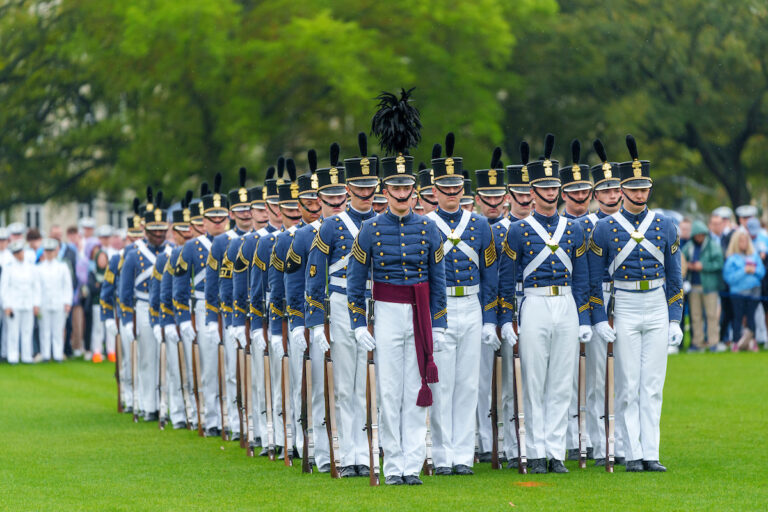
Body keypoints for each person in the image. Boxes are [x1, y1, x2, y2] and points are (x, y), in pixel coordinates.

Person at [498, 134, 592, 474]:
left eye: (555, 187)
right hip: (534, 303)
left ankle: (556, 451)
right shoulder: (518, 231)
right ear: (532, 192)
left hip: (565, 303)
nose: (551, 193)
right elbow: (506, 281)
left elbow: (581, 278)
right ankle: (534, 450)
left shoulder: (574, 230)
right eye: (544, 187)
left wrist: (583, 317)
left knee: (562, 380)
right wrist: (506, 319)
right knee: (534, 380)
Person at [588, 135, 683, 472]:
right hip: (625, 303)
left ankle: (651, 452)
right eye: (634, 187)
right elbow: (595, 280)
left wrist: (675, 318)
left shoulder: (666, 226)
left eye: (645, 187)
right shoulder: (604, 229)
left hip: (657, 302)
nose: (640, 193)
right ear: (623, 189)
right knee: (627, 383)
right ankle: (632, 454)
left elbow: (675, 278)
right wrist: (600, 318)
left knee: (653, 384)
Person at [426, 134, 498, 476]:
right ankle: (441, 455)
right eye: (445, 187)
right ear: (435, 190)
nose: (452, 193)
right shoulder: (426, 224)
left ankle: (462, 456)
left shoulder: (480, 225)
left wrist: (488, 318)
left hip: (471, 305)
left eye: (456, 187)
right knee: (442, 383)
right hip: (439, 311)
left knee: (469, 383)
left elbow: (490, 274)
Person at [582, 139, 625, 467]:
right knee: (597, 376)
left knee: (626, 378)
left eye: (616, 190)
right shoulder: (586, 227)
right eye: (605, 191)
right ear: (595, 194)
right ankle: (600, 443)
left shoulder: (633, 224)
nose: (612, 196)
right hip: (599, 299)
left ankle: (624, 441)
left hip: (627, 297)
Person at [119, 189, 171, 421]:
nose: (159, 234)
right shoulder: (133, 254)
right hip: (142, 308)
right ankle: (149, 405)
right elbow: (125, 292)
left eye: (162, 230)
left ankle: (168, 406)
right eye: (154, 231)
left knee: (169, 360)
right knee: (148, 358)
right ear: (145, 230)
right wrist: (127, 321)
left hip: (168, 310)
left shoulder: (172, 252)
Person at [472, 147, 509, 464]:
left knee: (510, 381)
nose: (494, 203)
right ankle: (483, 441)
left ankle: (509, 441)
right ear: (478, 198)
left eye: (499, 197)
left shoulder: (515, 230)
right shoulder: (473, 229)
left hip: (512, 309)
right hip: (479, 308)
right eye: (488, 197)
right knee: (479, 379)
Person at [559, 140, 594, 462]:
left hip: (590, 302)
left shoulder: (599, 226)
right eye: (574, 192)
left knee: (594, 379)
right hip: (557, 301)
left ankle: (594, 437)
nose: (580, 198)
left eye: (585, 191)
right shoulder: (559, 228)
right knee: (565, 378)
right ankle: (570, 438)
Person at [681, 220, 724, 352]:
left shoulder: (713, 246)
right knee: (695, 315)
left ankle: (713, 343)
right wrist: (688, 266)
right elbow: (681, 260)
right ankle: (697, 343)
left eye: (701, 235)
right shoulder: (689, 246)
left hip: (709, 286)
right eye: (697, 235)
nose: (699, 237)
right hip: (693, 286)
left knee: (711, 315)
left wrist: (703, 266)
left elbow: (719, 263)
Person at [724, 229, 765, 351]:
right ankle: (736, 342)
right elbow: (729, 277)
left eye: (746, 240)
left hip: (754, 292)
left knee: (751, 318)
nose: (744, 243)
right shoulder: (732, 259)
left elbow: (761, 272)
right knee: (737, 317)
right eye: (741, 241)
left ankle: (752, 341)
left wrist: (754, 271)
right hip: (737, 293)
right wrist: (744, 271)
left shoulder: (754, 256)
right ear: (736, 242)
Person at [0, 240, 41, 364]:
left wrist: (36, 304)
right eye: (17, 252)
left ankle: (26, 356)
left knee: (27, 331)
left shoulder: (30, 267)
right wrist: (6, 305)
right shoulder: (8, 268)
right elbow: (4, 288)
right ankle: (12, 356)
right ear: (13, 254)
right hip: (14, 304)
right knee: (13, 332)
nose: (20, 254)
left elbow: (36, 286)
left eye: (21, 251)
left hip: (27, 303)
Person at [37, 239, 73, 362]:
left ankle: (58, 354)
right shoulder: (39, 268)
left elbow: (67, 286)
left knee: (58, 330)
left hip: (59, 302)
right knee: (44, 330)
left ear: (56, 252)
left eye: (51, 251)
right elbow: (37, 288)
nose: (49, 253)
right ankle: (46, 355)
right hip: (44, 302)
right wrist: (36, 304)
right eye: (47, 251)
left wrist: (67, 302)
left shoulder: (62, 267)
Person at [88, 249, 110, 362]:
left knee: (110, 328)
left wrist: (100, 285)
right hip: (97, 303)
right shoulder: (93, 272)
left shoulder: (110, 272)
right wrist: (102, 286)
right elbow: (92, 288)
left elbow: (111, 287)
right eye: (100, 259)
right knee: (98, 328)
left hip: (110, 304)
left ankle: (111, 351)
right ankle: (97, 351)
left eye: (104, 259)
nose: (102, 261)